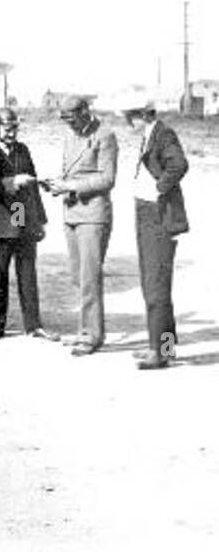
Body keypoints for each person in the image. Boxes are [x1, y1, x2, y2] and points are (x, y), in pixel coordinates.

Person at [0, 108, 55, 340]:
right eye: (8, 129)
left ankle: (34, 325)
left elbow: (32, 188)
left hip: (22, 219)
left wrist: (39, 220)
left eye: (15, 128)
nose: (12, 133)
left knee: (28, 274)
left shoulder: (23, 150)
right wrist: (13, 181)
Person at [43, 95, 117, 355]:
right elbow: (70, 172)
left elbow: (108, 179)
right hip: (72, 212)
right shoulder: (69, 135)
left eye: (72, 119)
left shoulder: (105, 135)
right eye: (64, 120)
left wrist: (71, 186)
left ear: (86, 111)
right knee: (77, 275)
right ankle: (86, 328)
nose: (69, 124)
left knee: (89, 277)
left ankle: (92, 335)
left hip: (94, 215)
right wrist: (57, 184)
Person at [121, 91, 188, 370]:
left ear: (140, 115)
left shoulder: (162, 134)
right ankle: (166, 348)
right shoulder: (152, 134)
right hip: (147, 215)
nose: (127, 125)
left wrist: (159, 188)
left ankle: (158, 352)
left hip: (157, 217)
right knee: (157, 285)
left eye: (128, 119)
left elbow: (179, 164)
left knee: (155, 288)